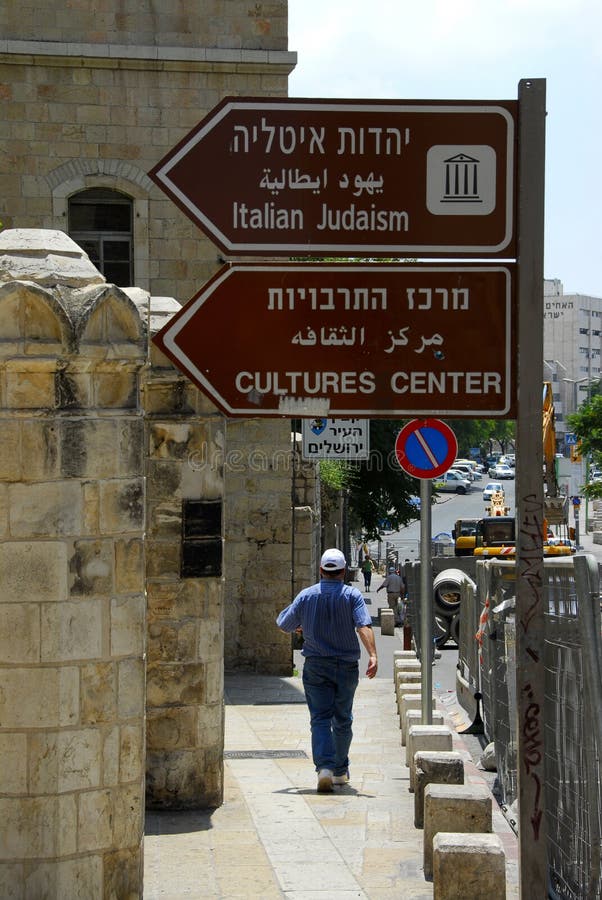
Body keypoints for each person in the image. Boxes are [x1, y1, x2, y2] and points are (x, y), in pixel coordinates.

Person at [276, 548, 378, 793]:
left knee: (320, 718)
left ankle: (324, 768)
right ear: (343, 572)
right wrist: (373, 654)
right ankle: (340, 771)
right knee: (343, 718)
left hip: (316, 665)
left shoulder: (306, 596)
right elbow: (363, 626)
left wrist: (303, 625)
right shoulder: (352, 596)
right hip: (346, 666)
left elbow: (284, 625)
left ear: (321, 570)